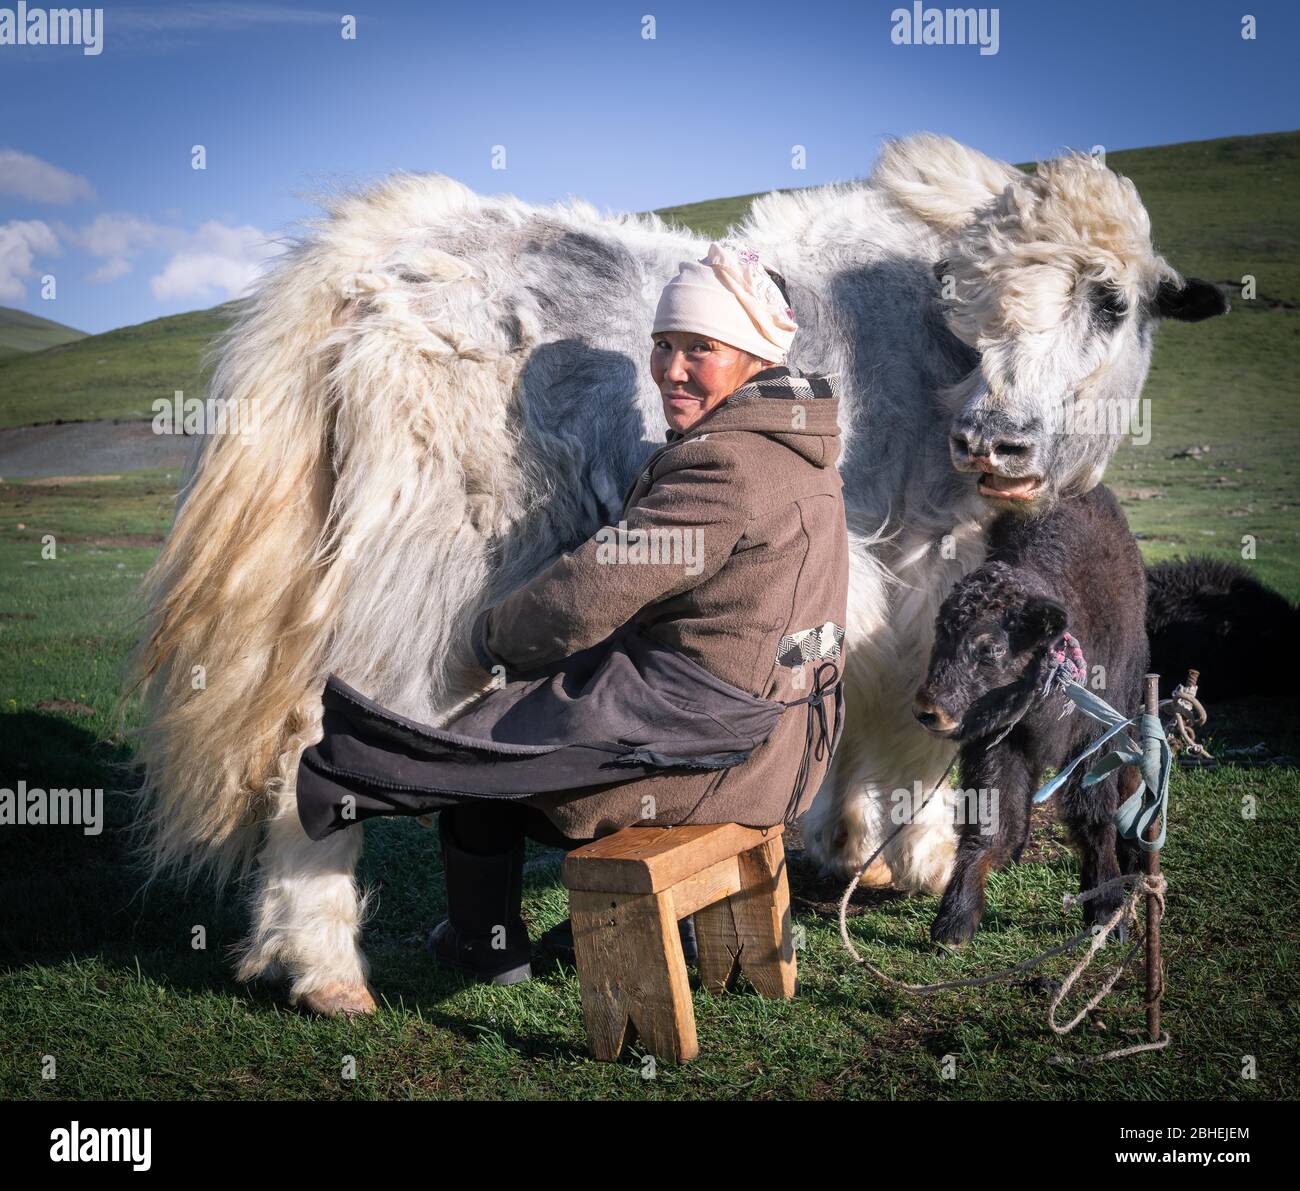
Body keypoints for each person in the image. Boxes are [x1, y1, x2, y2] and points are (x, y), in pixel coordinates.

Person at [296, 239, 850, 984]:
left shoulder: (725, 463)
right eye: (662, 344)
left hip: (717, 745)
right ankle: (659, 933)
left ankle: (484, 948)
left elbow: (592, 591)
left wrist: (487, 638)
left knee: (473, 756)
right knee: (534, 728)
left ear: (753, 354)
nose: (671, 369)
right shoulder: (800, 448)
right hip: (786, 739)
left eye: (700, 349)